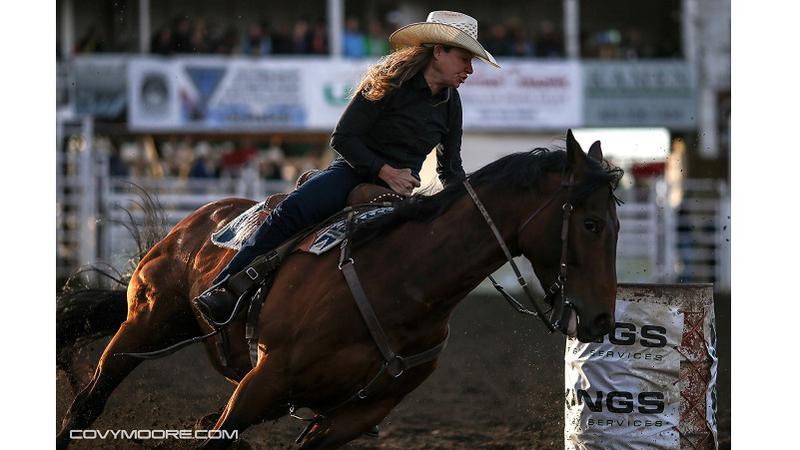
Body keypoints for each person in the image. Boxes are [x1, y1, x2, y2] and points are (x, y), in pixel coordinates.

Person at [193, 11, 501, 327]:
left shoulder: (452, 103)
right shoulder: (389, 80)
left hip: (401, 194)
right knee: (290, 212)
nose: (469, 70)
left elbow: (451, 168)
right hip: (352, 173)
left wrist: (471, 203)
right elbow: (343, 138)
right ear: (439, 51)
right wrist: (386, 171)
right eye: (465, 59)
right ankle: (225, 287)